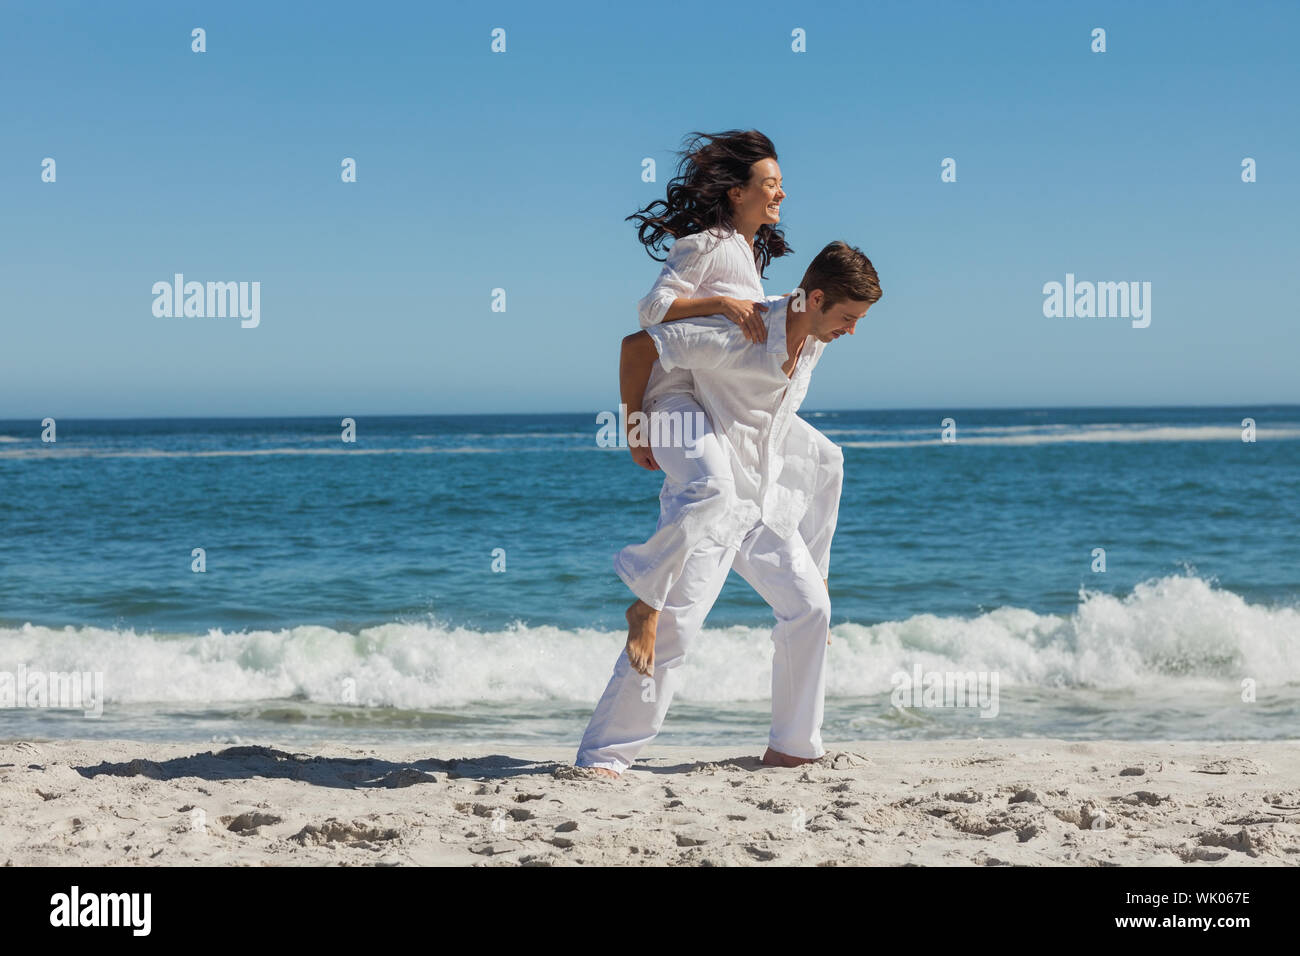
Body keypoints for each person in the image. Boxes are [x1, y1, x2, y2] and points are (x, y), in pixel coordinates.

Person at [577, 241, 883, 777]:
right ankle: (604, 757)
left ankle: (792, 746)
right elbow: (636, 347)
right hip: (713, 499)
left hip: (762, 498)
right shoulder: (740, 333)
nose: (852, 331)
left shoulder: (813, 336)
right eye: (848, 318)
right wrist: (635, 428)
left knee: (811, 609)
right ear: (814, 298)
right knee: (674, 629)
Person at [618, 130, 844, 676]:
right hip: (672, 394)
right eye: (770, 185)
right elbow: (651, 312)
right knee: (712, 489)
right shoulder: (709, 243)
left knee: (826, 461)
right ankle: (645, 601)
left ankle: (818, 585)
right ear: (737, 193)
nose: (781, 194)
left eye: (782, 185)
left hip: (710, 395)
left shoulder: (744, 252)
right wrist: (635, 425)